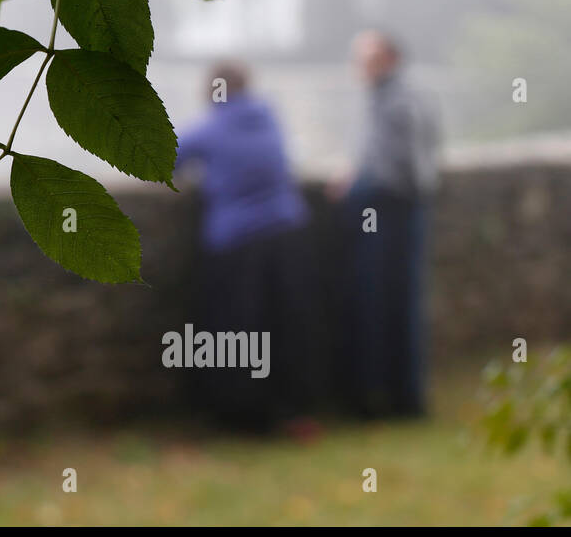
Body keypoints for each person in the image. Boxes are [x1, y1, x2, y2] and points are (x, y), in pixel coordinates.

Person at [175, 61, 313, 434]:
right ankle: (290, 408)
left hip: (238, 241)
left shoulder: (212, 128)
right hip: (288, 233)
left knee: (238, 329)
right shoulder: (269, 118)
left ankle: (242, 414)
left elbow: (164, 159)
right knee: (285, 324)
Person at [335, 30, 441, 418]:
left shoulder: (396, 100)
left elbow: (401, 166)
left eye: (367, 57)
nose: (359, 66)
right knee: (398, 304)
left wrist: (360, 188)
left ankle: (377, 398)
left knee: (378, 303)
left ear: (390, 59)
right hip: (401, 211)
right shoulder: (401, 96)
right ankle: (401, 398)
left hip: (389, 213)